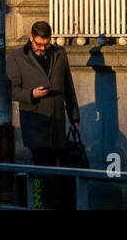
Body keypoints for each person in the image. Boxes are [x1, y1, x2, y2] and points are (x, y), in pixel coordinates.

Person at [7, 21, 80, 209]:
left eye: (46, 44)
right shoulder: (16, 58)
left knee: (63, 171)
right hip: (35, 123)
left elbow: (68, 87)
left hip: (57, 123)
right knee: (41, 169)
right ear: (31, 37)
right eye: (39, 44)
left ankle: (62, 205)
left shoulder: (59, 53)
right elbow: (10, 90)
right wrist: (31, 94)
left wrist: (74, 117)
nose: (42, 48)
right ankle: (39, 205)